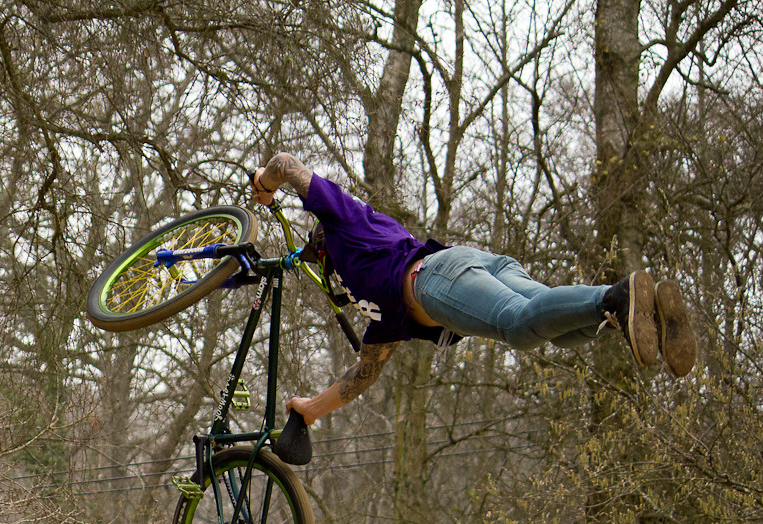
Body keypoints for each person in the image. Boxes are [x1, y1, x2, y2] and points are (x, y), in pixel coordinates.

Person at [248, 152, 696, 427]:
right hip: (479, 265)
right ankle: (637, 311)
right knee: (549, 327)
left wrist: (265, 185)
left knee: (518, 328)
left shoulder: (344, 221)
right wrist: (310, 409)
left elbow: (287, 164)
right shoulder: (379, 314)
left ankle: (612, 297)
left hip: (436, 279)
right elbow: (361, 376)